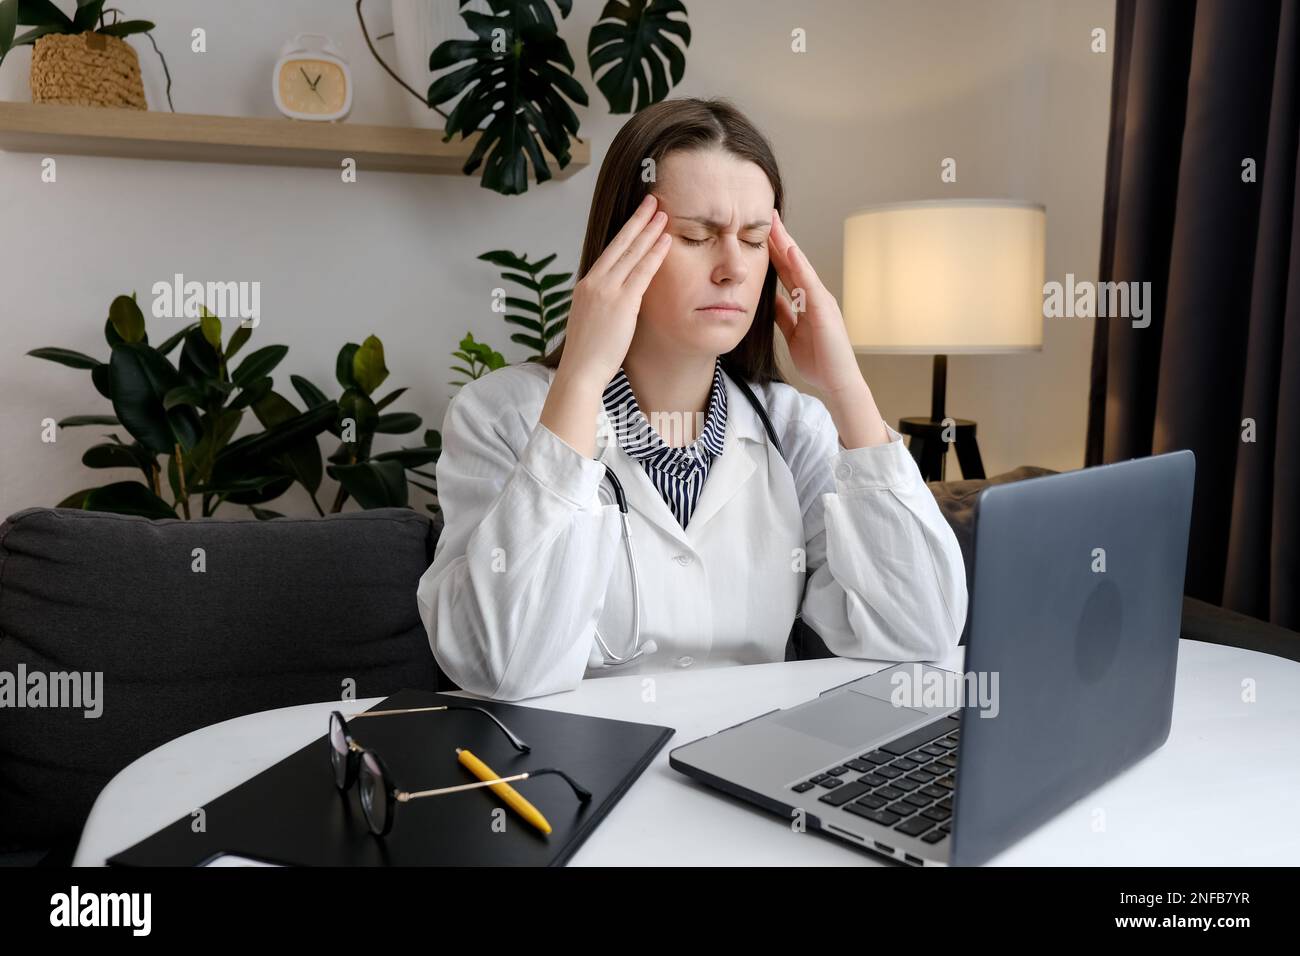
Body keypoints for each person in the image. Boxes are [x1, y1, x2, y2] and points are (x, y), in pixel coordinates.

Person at [417, 97, 968, 701]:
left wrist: (847, 389)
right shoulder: (501, 416)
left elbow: (922, 633)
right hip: (572, 776)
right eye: (696, 235)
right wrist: (579, 379)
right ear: (618, 248)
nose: (733, 267)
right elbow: (504, 666)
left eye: (755, 239)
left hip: (749, 769)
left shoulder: (794, 427)